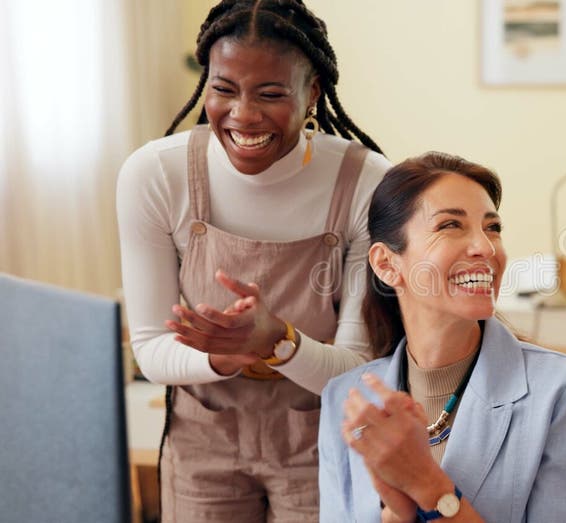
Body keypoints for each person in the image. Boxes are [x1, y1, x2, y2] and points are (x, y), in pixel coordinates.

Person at [115, 1, 391, 520]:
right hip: (204, 438)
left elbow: (357, 370)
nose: (243, 115)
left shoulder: (365, 183)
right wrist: (226, 356)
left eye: (270, 94)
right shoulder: (156, 174)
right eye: (223, 89)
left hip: (322, 436)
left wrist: (276, 342)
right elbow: (152, 350)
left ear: (312, 94)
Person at [318, 152, 566, 522]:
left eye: (493, 228)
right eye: (451, 226)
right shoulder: (343, 399)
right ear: (387, 264)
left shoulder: (562, 390)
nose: (486, 248)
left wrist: (427, 486)